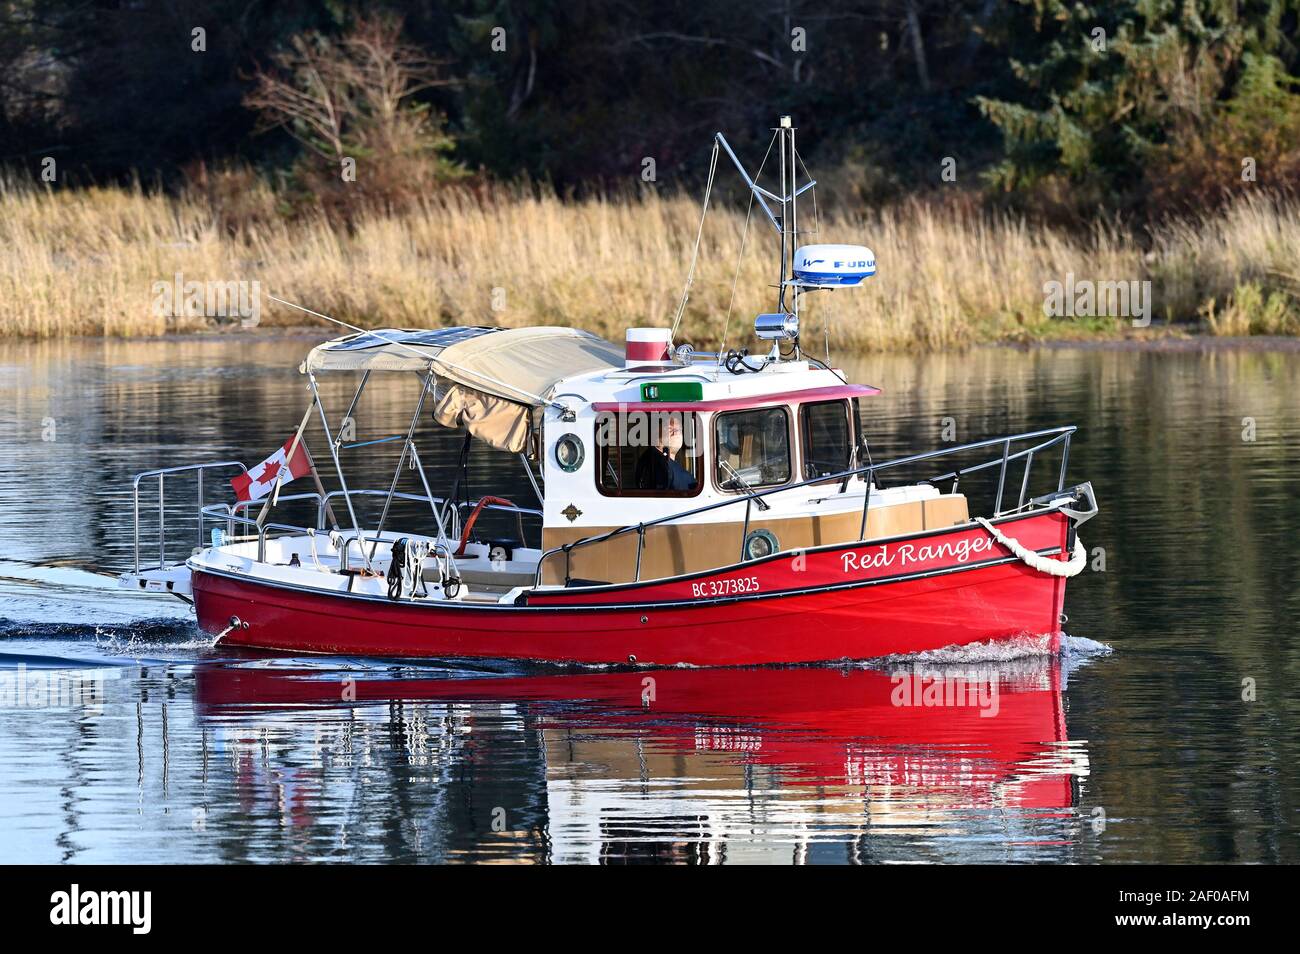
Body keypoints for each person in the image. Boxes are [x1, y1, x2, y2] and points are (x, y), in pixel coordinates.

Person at [635, 412, 696, 491]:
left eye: (679, 429)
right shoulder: (655, 462)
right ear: (655, 433)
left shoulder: (664, 461)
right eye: (670, 428)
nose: (677, 432)